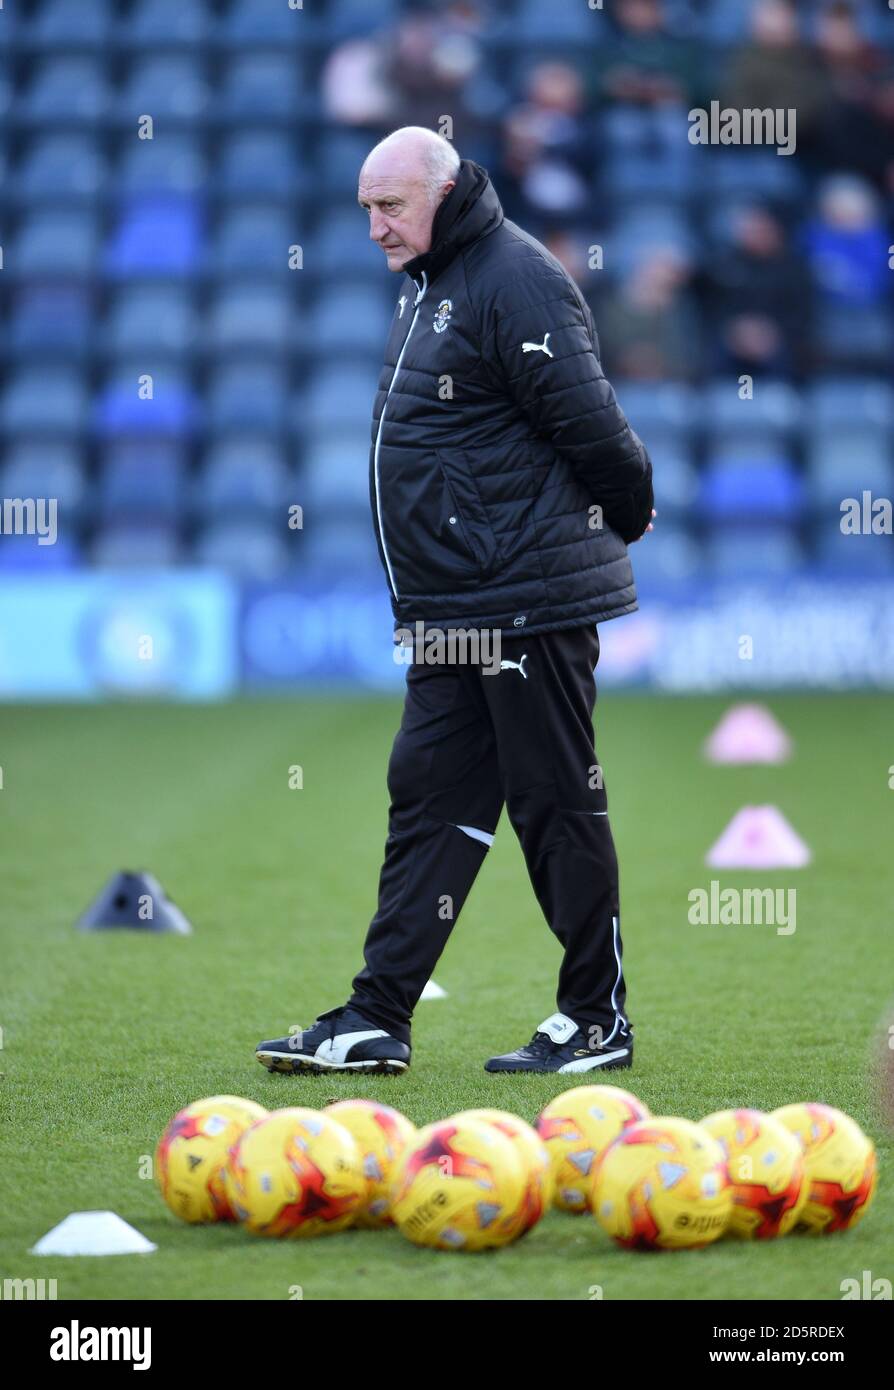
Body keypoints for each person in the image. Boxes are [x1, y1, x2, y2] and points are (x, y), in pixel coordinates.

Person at [256, 127, 654, 1076]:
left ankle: (595, 1020)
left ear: (444, 190)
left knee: (555, 801)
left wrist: (622, 520)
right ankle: (377, 1016)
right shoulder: (438, 281)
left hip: (523, 599)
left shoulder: (513, 275)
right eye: (364, 210)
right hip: (457, 613)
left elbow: (594, 426)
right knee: (429, 801)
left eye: (389, 207)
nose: (375, 229)